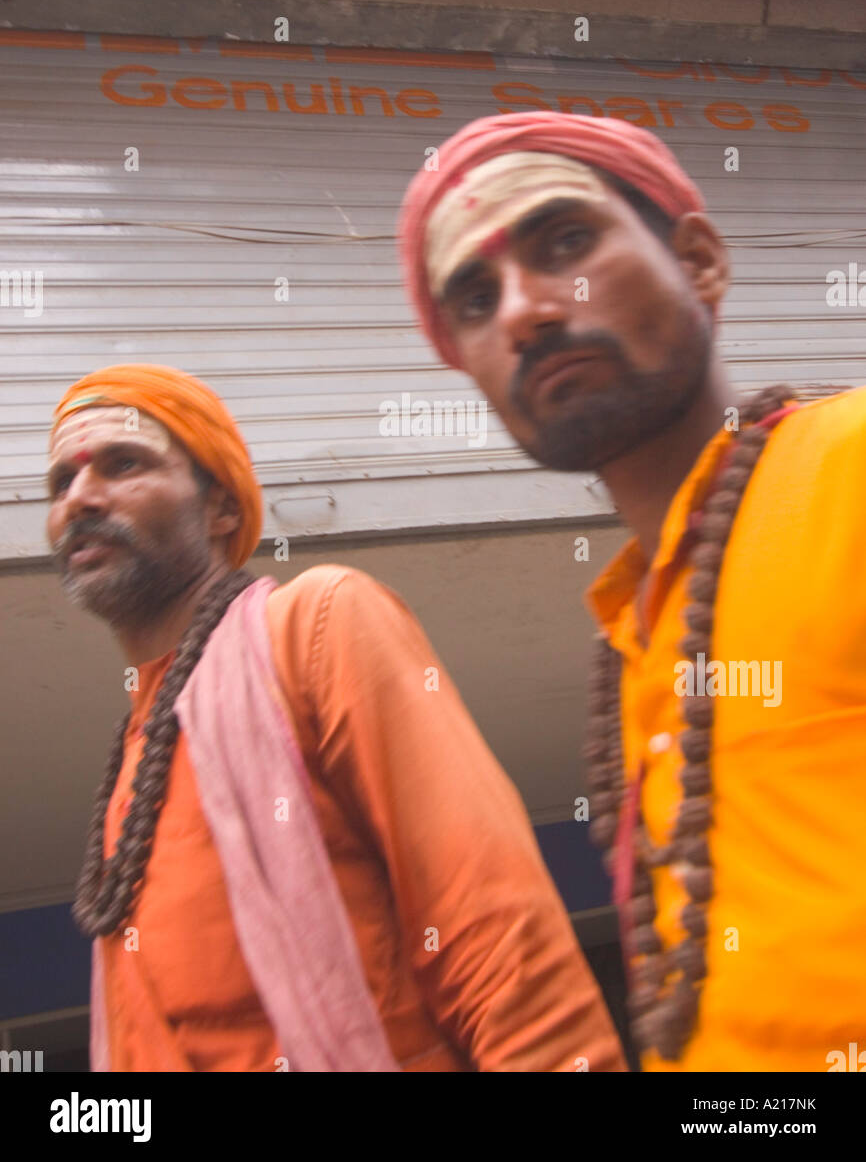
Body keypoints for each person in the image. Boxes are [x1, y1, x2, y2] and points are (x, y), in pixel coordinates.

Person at [397, 110, 866, 1072]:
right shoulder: (631, 631)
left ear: (699, 261)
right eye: (475, 299)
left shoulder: (848, 463)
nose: (524, 312)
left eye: (566, 242)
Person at [47, 363, 625, 1073]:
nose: (80, 497)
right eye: (61, 482)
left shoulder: (314, 625)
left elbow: (491, 923)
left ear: (221, 507)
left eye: (123, 464)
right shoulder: (136, 760)